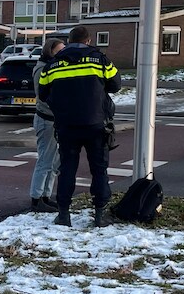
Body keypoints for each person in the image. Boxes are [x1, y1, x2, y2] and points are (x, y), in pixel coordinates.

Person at [38, 26, 122, 227]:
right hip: (96, 124)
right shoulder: (100, 60)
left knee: (67, 169)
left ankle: (64, 214)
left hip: (67, 125)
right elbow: (116, 85)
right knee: (99, 170)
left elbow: (42, 94)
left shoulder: (53, 64)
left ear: (68, 41)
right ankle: (100, 215)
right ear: (88, 41)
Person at [29, 38, 63, 213]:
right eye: (59, 50)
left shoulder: (54, 67)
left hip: (54, 120)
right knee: (45, 160)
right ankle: (36, 198)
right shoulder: (43, 69)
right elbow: (43, 97)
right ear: (51, 51)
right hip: (46, 119)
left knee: (53, 162)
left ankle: (46, 196)